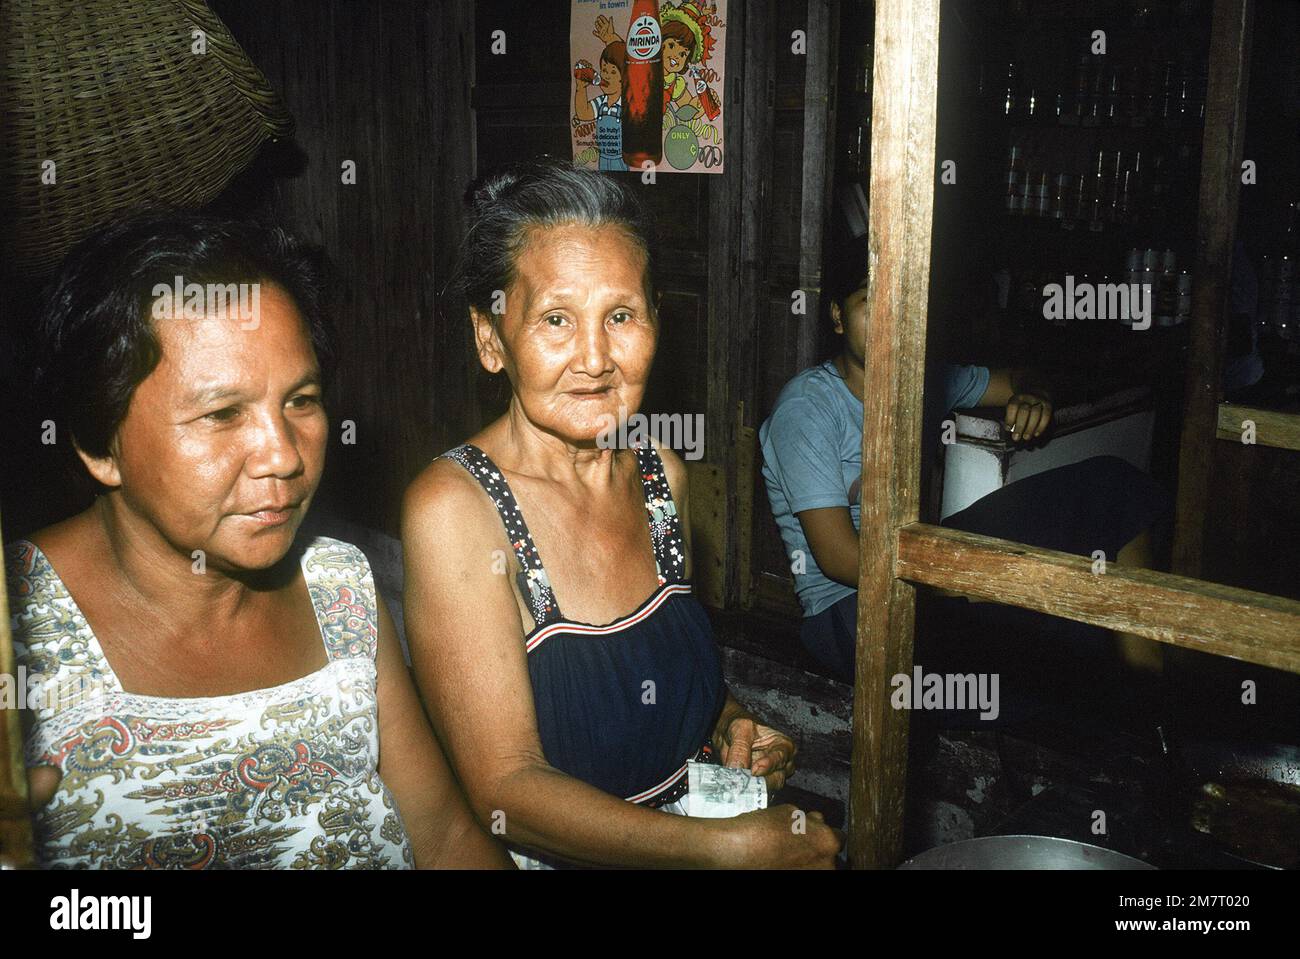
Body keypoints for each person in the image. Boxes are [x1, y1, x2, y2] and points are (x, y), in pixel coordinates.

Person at [6, 211, 511, 869]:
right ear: (101, 444)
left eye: (301, 400)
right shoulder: (14, 624)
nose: (282, 455)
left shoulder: (341, 587)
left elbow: (443, 837)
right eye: (222, 414)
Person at [402, 160, 842, 868]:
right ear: (491, 338)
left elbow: (658, 680)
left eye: (620, 315)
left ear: (655, 321)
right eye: (555, 319)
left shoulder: (660, 475)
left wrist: (731, 726)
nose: (596, 357)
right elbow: (505, 788)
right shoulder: (458, 510)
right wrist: (718, 850)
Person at [760, 239, 1170, 702]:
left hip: (918, 557)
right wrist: (981, 581)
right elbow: (842, 560)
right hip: (848, 612)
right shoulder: (808, 406)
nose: (889, 318)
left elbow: (1019, 376)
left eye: (903, 301)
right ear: (837, 316)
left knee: (1110, 489)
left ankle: (1150, 704)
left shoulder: (923, 378)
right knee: (1048, 640)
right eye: (870, 301)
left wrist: (1036, 395)